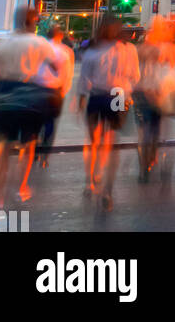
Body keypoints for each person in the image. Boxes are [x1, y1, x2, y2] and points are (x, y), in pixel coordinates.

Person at [0, 6, 62, 209]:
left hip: (4, 93)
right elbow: (55, 66)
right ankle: (21, 187)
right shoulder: (39, 42)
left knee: (3, 147)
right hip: (28, 95)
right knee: (29, 144)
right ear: (31, 22)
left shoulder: (2, 41)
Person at [77, 17, 140, 210]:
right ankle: (107, 190)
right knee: (112, 141)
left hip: (96, 96)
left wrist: (80, 99)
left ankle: (90, 180)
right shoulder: (128, 50)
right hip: (118, 94)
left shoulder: (93, 51)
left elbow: (84, 79)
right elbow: (135, 76)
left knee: (93, 140)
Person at [135, 16, 175, 184]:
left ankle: (145, 166)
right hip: (161, 94)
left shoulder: (142, 49)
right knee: (157, 131)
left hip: (143, 93)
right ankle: (154, 160)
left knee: (145, 132)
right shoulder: (170, 49)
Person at [36, 24, 75, 167]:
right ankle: (45, 155)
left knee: (37, 120)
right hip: (55, 91)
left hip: (37, 89)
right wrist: (63, 91)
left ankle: (34, 148)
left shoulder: (38, 49)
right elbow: (68, 75)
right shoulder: (66, 51)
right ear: (60, 36)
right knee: (51, 122)